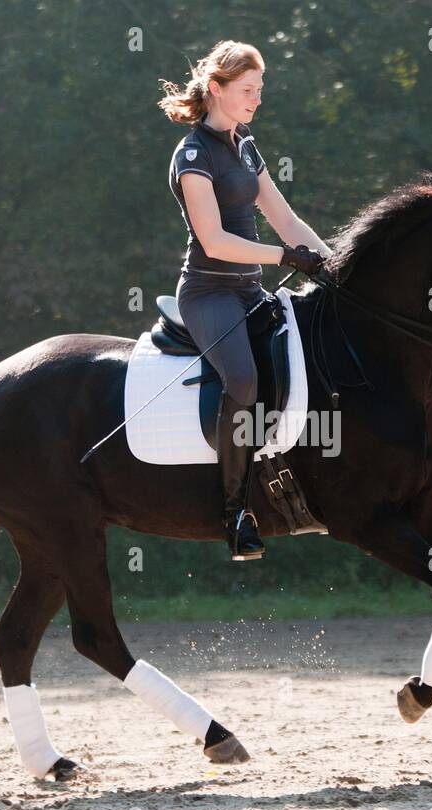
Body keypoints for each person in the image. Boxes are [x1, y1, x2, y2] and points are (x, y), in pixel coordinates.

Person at [158, 40, 329, 560]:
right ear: (216, 89)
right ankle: (236, 512)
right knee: (243, 379)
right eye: (248, 90)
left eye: (260, 90)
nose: (257, 99)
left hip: (251, 291)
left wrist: (337, 267)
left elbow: (287, 219)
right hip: (210, 294)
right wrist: (286, 258)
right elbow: (215, 242)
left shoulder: (245, 143)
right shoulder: (192, 155)